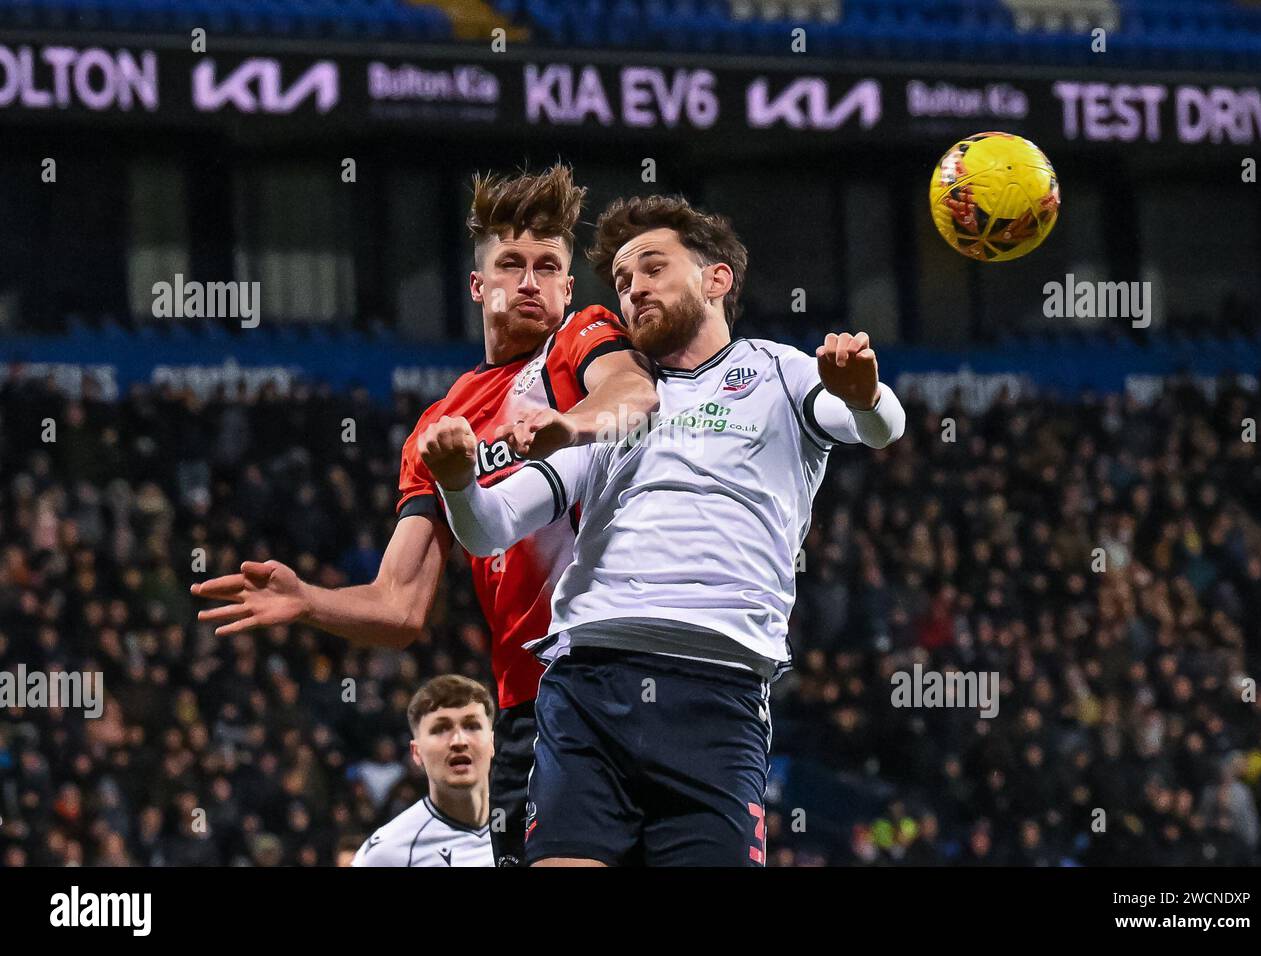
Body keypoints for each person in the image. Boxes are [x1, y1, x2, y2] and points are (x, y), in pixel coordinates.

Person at [190, 165, 659, 866]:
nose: (528, 281)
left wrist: (567, 426)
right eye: (510, 265)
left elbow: (632, 393)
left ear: (567, 289)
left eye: (546, 267)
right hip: (530, 712)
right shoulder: (440, 425)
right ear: (478, 285)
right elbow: (400, 607)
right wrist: (307, 600)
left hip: (626, 683)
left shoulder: (581, 340)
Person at [419, 194, 906, 865]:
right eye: (621, 282)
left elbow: (882, 428)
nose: (633, 290)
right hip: (588, 681)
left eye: (651, 269)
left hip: (719, 690)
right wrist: (456, 483)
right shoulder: (612, 406)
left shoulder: (776, 371)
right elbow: (490, 528)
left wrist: (865, 392)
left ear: (716, 279)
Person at [352, 675, 495, 867]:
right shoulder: (388, 853)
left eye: (472, 726)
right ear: (417, 752)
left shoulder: (534, 827)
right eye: (441, 729)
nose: (459, 740)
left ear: (492, 743)